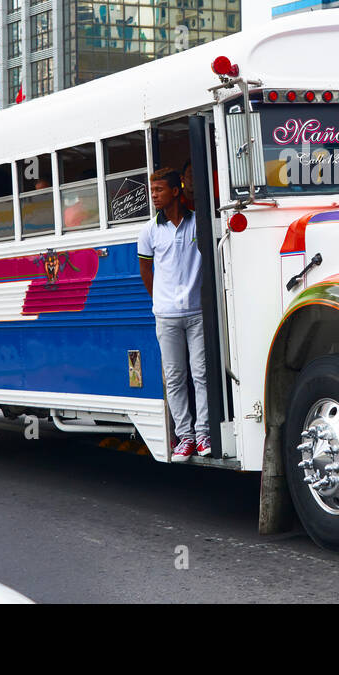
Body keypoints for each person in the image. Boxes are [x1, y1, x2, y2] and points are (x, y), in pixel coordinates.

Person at [137, 167, 210, 462]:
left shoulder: (198, 223)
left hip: (197, 312)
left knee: (202, 375)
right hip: (166, 315)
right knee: (176, 377)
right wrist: (160, 301)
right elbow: (145, 269)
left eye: (159, 190)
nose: (153, 195)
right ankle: (186, 437)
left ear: (176, 191)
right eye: (152, 190)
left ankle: (203, 434)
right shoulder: (149, 230)